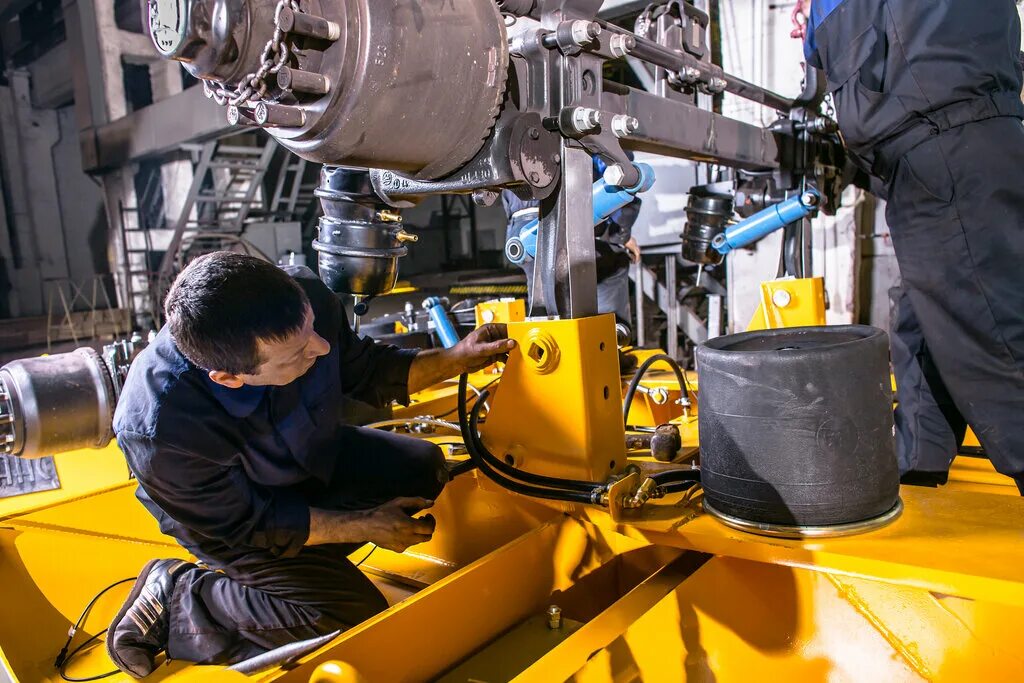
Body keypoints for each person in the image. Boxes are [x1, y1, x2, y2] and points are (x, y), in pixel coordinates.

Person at [106, 252, 515, 676]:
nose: (321, 347)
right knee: (351, 619)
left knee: (422, 467)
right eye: (299, 353)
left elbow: (366, 369)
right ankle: (181, 597)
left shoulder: (303, 297)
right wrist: (363, 525)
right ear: (229, 377)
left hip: (307, 459)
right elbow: (255, 522)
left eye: (313, 331)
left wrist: (457, 357)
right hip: (239, 519)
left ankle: (301, 570)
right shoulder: (160, 429)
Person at [799, 0, 1024, 493]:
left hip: (941, 138)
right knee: (922, 313)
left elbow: (824, 41)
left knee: (994, 340)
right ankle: (920, 459)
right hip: (950, 140)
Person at [502, 156, 643, 329]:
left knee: (546, 311)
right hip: (569, 214)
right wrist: (620, 234)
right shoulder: (591, 140)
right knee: (614, 266)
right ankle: (612, 334)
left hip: (521, 228)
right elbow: (620, 174)